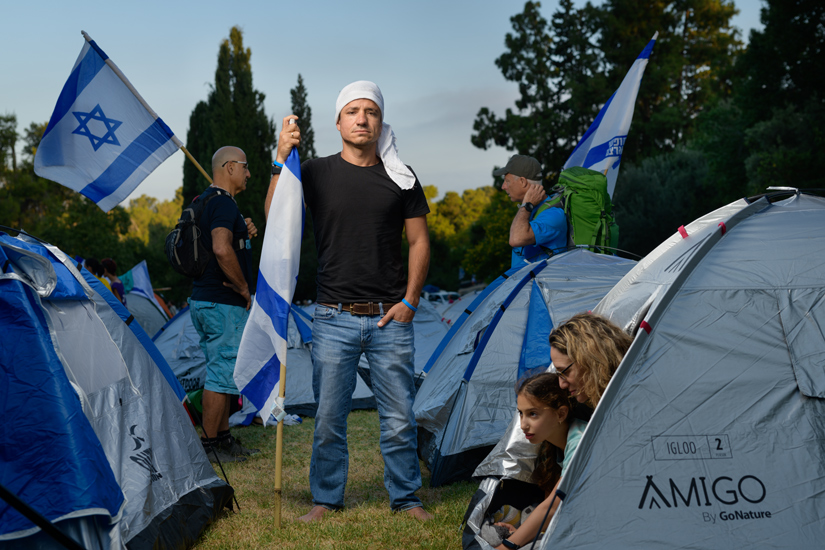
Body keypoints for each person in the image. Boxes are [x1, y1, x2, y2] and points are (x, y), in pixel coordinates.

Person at [265, 81, 432, 521]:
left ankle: (407, 498)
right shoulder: (316, 172)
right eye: (353, 111)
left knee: (398, 418)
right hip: (332, 316)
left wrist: (410, 302)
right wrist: (279, 160)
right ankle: (325, 499)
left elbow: (419, 242)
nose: (362, 119)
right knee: (328, 420)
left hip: (390, 319)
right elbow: (275, 219)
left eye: (371, 112)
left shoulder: (402, 176)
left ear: (381, 121)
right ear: (338, 122)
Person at [189, 145, 260, 464]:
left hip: (204, 301)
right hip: (223, 303)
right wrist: (244, 288)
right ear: (229, 167)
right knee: (221, 373)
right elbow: (220, 248)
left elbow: (219, 239)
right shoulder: (222, 204)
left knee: (222, 369)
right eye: (244, 167)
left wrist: (242, 230)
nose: (248, 173)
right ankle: (210, 444)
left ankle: (223, 438)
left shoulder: (206, 202)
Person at [492, 372, 586, 550]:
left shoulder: (579, 441)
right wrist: (522, 534)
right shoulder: (550, 445)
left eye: (533, 414)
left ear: (561, 414)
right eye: (521, 413)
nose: (523, 425)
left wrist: (508, 546)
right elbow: (550, 511)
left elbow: (552, 508)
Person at [495, 155, 568, 268]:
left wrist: (527, 204)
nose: (503, 187)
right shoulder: (531, 210)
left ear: (523, 182)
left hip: (541, 285)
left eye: (507, 181)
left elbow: (516, 239)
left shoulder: (553, 215)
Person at [549, 313, 633, 408]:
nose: (562, 385)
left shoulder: (634, 396)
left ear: (590, 360)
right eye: (558, 374)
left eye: (565, 372)